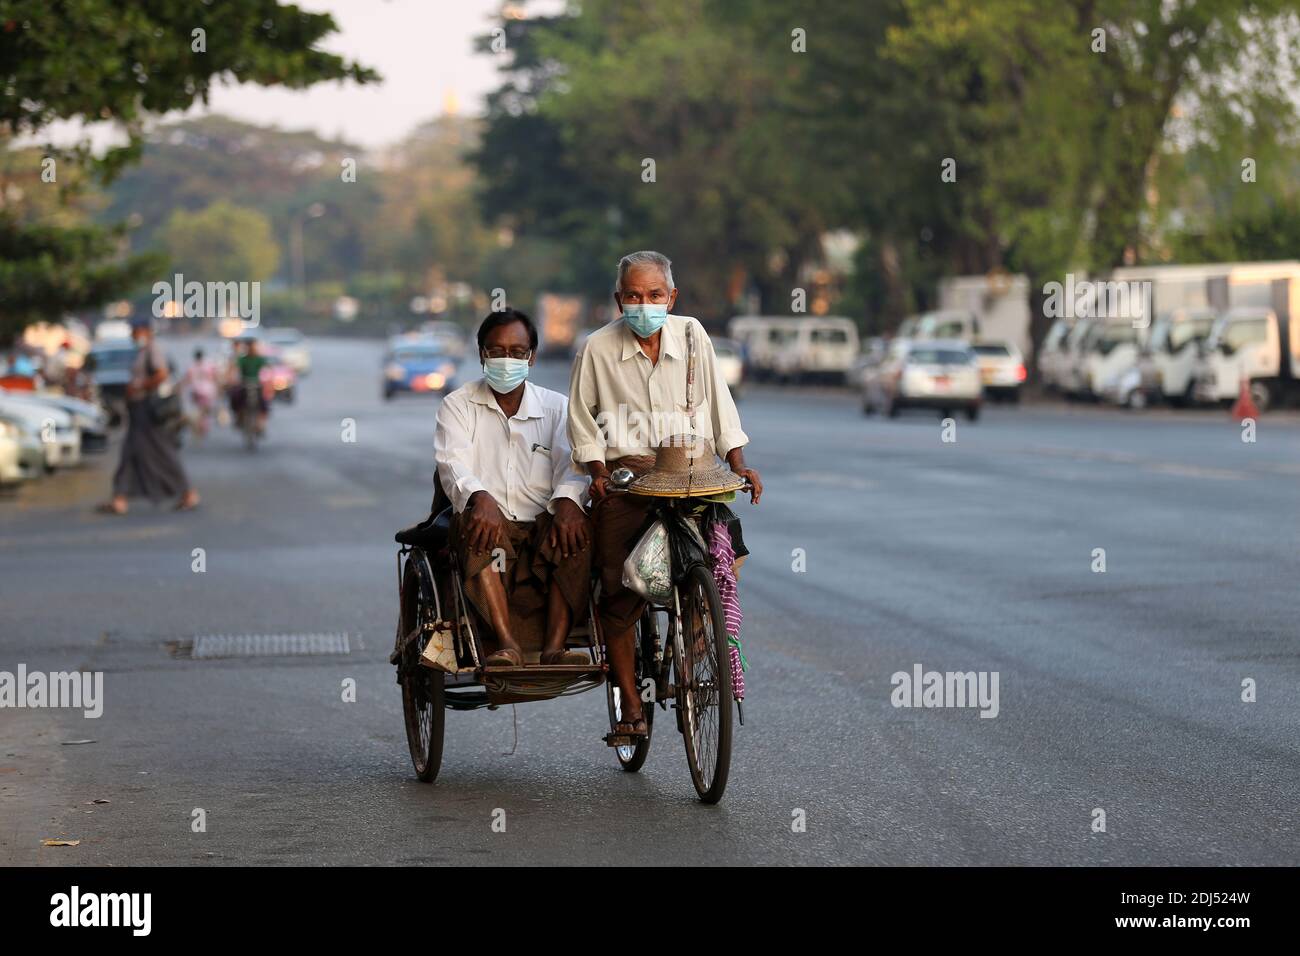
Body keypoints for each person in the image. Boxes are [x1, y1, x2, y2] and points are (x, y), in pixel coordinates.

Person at [567, 251, 763, 736]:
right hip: (629, 478)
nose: (644, 304)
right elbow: (581, 420)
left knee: (723, 558)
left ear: (671, 298)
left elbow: (721, 406)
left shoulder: (694, 334)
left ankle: (697, 635)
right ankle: (632, 706)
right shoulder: (597, 348)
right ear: (619, 300)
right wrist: (596, 472)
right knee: (621, 590)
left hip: (692, 473)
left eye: (655, 295)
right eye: (633, 296)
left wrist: (740, 464)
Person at [435, 309, 592, 668]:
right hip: (490, 523)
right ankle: (507, 646)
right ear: (481, 355)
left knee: (576, 529)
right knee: (476, 525)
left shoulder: (556, 408)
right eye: (496, 350)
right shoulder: (458, 405)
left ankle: (555, 648)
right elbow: (452, 463)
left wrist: (569, 502)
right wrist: (480, 497)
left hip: (541, 524)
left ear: (531, 357)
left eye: (517, 352)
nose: (507, 359)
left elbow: (573, 464)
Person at [97, 318, 200, 514]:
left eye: (135, 331)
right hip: (138, 409)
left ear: (144, 331)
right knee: (130, 452)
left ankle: (187, 492)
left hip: (148, 410)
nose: (133, 335)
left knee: (160, 451)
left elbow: (161, 374)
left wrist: (139, 387)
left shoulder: (153, 349)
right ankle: (120, 498)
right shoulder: (143, 351)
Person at [228, 337, 270, 434]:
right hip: (244, 384)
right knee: (235, 397)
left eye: (253, 346)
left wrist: (268, 380)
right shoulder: (242, 359)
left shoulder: (259, 359)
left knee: (264, 402)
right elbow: (234, 369)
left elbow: (268, 369)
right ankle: (238, 417)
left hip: (257, 384)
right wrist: (232, 379)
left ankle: (261, 424)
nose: (251, 348)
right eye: (249, 346)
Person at [181, 347, 220, 440]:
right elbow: (215, 377)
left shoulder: (192, 366)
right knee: (205, 411)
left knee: (199, 409)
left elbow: (187, 379)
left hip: (196, 391)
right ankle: (203, 425)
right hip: (207, 391)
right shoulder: (209, 365)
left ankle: (200, 425)